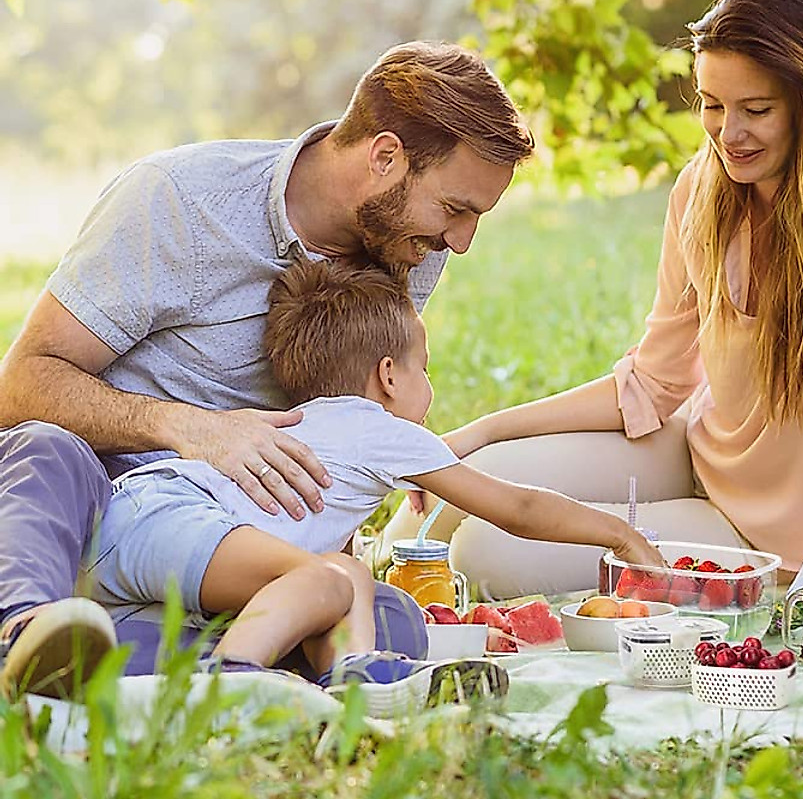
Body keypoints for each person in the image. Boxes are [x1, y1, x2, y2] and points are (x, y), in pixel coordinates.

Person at [0, 41, 535, 700]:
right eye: (456, 209)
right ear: (385, 156)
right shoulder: (179, 201)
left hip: (227, 546)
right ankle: (22, 629)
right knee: (46, 452)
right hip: (100, 506)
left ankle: (131, 665)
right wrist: (193, 430)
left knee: (388, 626)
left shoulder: (409, 246)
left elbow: (345, 421)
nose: (461, 241)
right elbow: (21, 386)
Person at [384, 0, 803, 597]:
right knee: (470, 477)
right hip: (697, 455)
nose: (729, 134)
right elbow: (654, 382)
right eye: (712, 104)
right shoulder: (703, 188)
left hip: (780, 541)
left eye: (756, 110)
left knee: (488, 556)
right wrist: (485, 430)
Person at [82, 260, 659, 713]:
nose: (427, 386)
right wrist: (618, 535)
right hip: (170, 515)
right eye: (424, 368)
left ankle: (357, 681)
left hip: (136, 525)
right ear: (388, 375)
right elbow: (519, 508)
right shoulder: (378, 428)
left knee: (349, 576)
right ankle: (232, 685)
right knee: (324, 580)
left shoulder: (319, 424)